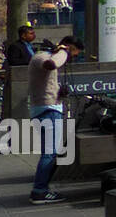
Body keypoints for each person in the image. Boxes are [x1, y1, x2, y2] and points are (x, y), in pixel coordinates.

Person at [26, 35, 83, 204]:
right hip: (48, 110)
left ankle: (41, 189)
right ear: (69, 47)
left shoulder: (45, 56)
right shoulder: (43, 57)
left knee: (49, 152)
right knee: (49, 153)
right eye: (74, 54)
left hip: (46, 109)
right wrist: (64, 51)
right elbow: (51, 65)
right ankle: (39, 191)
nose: (71, 58)